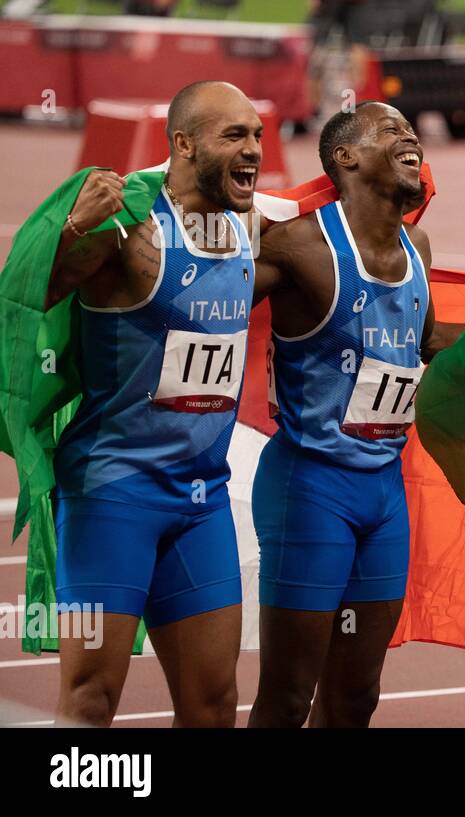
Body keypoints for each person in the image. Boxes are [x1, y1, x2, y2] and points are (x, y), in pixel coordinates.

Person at [46, 80, 262, 726]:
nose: (253, 149)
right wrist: (69, 231)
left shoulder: (251, 226)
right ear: (183, 144)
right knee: (90, 699)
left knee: (214, 704)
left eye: (256, 133)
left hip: (202, 503)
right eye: (235, 136)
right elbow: (32, 295)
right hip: (113, 495)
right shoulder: (128, 229)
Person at [246, 101, 442, 728]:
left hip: (383, 492)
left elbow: (429, 344)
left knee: (357, 695)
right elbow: (203, 303)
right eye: (391, 130)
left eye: (412, 128)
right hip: (309, 486)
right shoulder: (300, 245)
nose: (411, 135)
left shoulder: (419, 245)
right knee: (286, 695)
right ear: (345, 157)